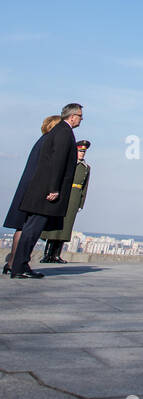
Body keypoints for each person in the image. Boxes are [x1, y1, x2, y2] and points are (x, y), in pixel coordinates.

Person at [8, 103, 83, 279]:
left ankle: (18, 265)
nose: (81, 119)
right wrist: (54, 189)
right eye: (80, 116)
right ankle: (20, 267)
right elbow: (56, 163)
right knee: (33, 229)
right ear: (72, 117)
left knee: (31, 228)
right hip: (46, 193)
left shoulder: (57, 132)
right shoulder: (64, 133)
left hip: (41, 190)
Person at [4, 115, 60, 275]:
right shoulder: (50, 142)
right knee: (28, 227)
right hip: (36, 189)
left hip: (26, 188)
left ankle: (11, 262)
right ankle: (18, 263)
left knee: (21, 225)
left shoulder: (42, 140)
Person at [40, 139, 91, 263]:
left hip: (74, 198)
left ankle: (56, 254)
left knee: (66, 228)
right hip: (63, 196)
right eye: (80, 151)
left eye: (83, 152)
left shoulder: (86, 168)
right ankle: (47, 254)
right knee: (55, 226)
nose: (82, 154)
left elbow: (84, 187)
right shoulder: (68, 164)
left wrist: (80, 203)